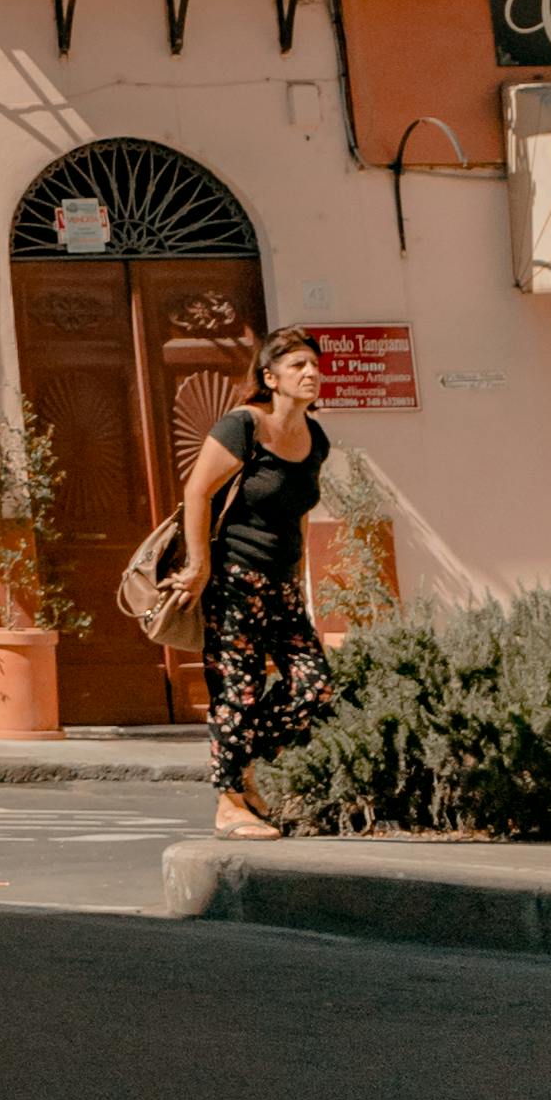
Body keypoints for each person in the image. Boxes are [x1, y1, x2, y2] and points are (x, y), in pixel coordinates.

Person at [174, 328, 339, 830]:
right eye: (297, 366)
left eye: (313, 365)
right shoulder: (243, 425)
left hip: (283, 584)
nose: (310, 373)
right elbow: (196, 491)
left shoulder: (316, 437)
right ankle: (228, 802)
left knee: (314, 687)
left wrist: (303, 578)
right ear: (270, 378)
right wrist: (199, 566)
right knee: (237, 689)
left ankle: (240, 762)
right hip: (235, 579)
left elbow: (300, 513)